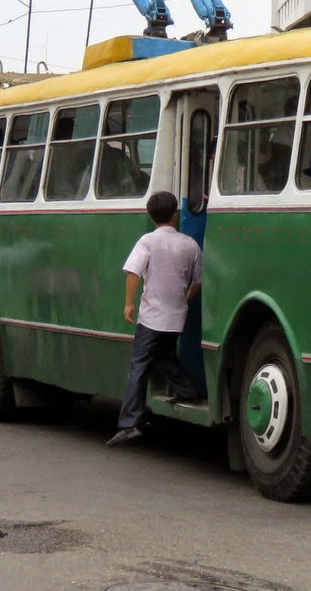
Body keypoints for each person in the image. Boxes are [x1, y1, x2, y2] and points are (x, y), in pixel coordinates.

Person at [107, 191, 203, 447]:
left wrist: (128, 303)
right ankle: (188, 392)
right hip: (176, 316)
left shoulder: (147, 241)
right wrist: (185, 299)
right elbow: (198, 280)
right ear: (175, 215)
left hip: (152, 317)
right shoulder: (190, 244)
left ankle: (129, 423)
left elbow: (133, 273)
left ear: (151, 216)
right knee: (163, 355)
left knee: (139, 365)